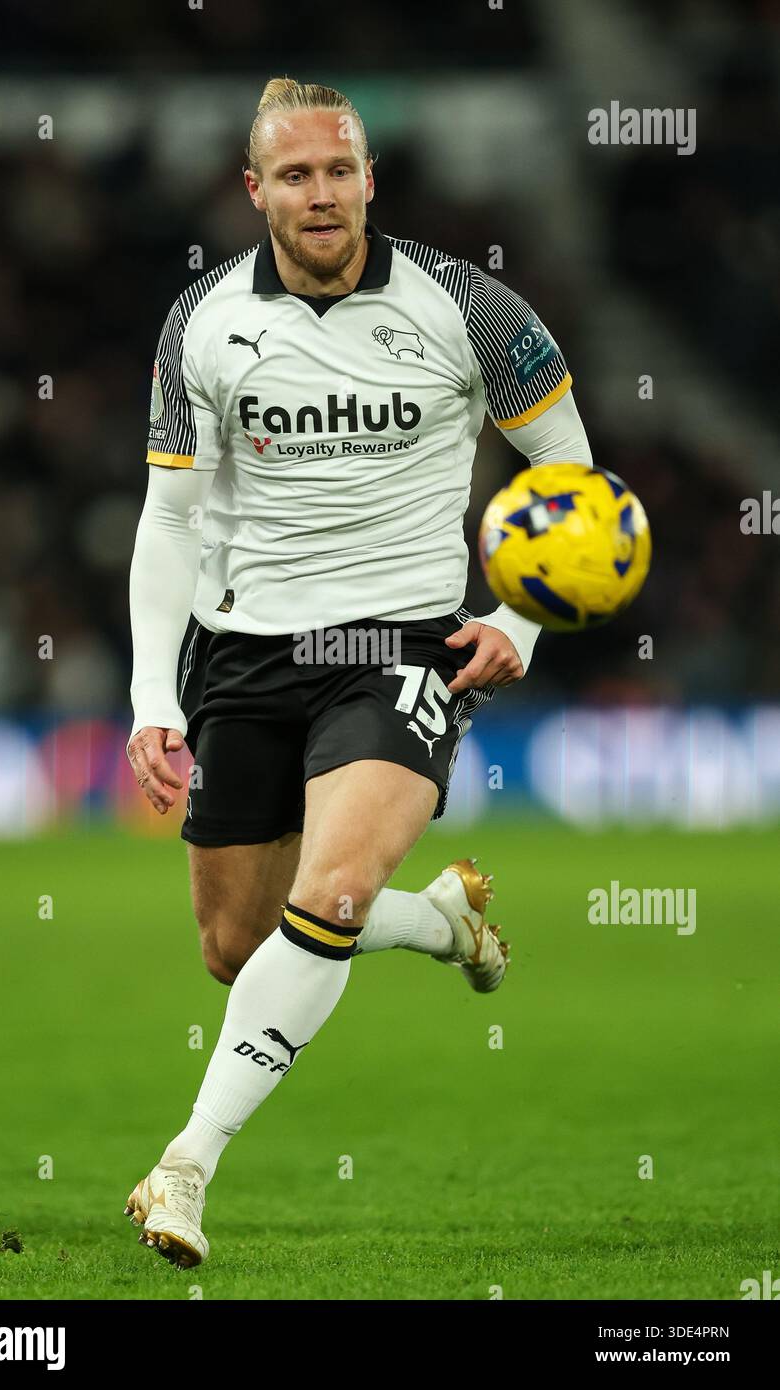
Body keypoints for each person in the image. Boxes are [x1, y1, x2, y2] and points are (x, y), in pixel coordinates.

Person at [125, 76, 592, 1268]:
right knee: (238, 948)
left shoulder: (467, 305)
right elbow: (170, 520)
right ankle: (439, 926)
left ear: (369, 177)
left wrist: (516, 624)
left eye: (338, 170)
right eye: (293, 175)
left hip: (398, 646)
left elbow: (564, 466)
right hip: (244, 651)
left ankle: (185, 1165)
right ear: (254, 190)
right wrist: (152, 696)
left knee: (324, 899)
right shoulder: (204, 320)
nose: (319, 193)